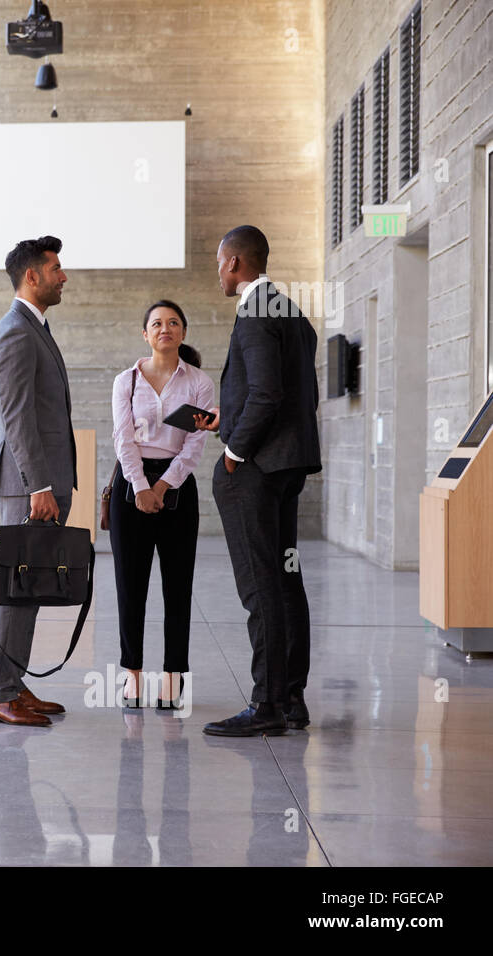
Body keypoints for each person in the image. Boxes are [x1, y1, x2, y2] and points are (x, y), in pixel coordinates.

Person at [195, 225, 321, 737]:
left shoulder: (253, 312)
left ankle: (265, 703)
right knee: (286, 575)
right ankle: (291, 696)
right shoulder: (294, 313)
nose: (218, 272)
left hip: (257, 469)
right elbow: (292, 395)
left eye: (219, 263)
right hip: (287, 464)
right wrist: (226, 419)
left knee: (260, 583)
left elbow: (267, 394)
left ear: (234, 263)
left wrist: (233, 451)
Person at [0, 235, 78, 727]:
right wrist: (39, 485)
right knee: (17, 590)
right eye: (56, 268)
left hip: (41, 482)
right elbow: (18, 418)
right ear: (33, 276)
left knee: (31, 586)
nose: (64, 276)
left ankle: (13, 685)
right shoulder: (16, 332)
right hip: (28, 486)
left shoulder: (34, 327)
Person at [109, 300, 213, 709]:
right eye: (156, 323)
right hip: (129, 489)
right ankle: (132, 676)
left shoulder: (200, 383)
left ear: (183, 333)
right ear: (145, 334)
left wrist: (164, 487)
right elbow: (123, 439)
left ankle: (172, 681)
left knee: (177, 588)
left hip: (178, 490)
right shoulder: (126, 381)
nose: (164, 328)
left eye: (173, 323)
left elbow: (195, 444)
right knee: (129, 588)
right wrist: (140, 486)